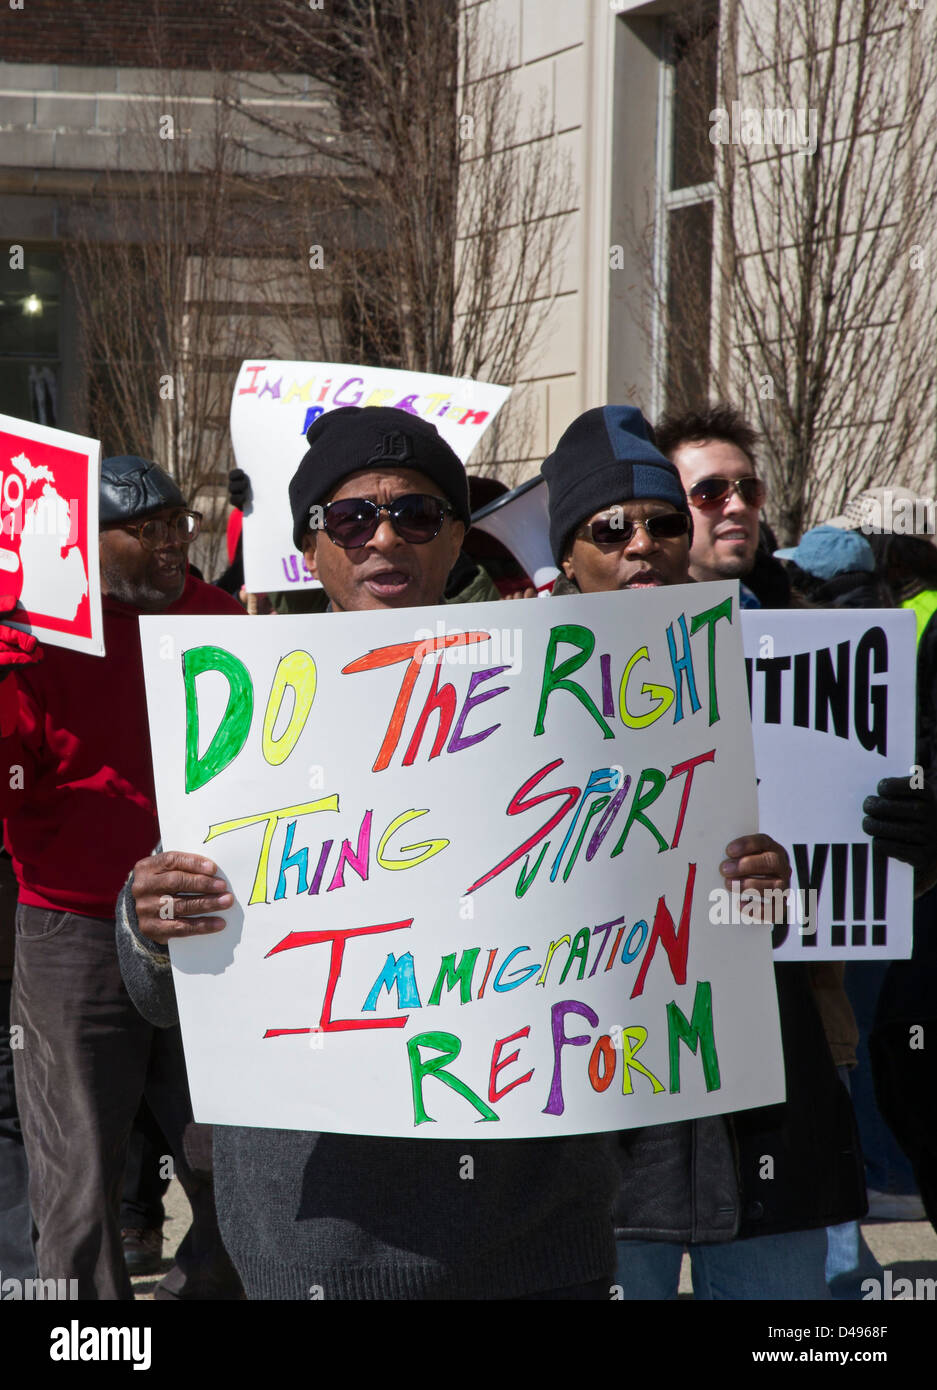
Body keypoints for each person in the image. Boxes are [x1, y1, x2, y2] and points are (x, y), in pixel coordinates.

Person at [118, 406, 624, 1301]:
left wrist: (740, 892)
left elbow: (655, 909)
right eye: (350, 519)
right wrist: (151, 921)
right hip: (318, 1239)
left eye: (417, 514)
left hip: (537, 1234)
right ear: (309, 549)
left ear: (457, 537)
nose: (384, 537)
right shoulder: (243, 719)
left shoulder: (572, 697)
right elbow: (160, 995)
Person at [541, 404, 867, 1300]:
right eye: (610, 527)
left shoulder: (776, 665)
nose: (640, 543)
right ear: (568, 551)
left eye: (660, 523)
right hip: (596, 1132)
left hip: (759, 1119)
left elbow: (824, 899)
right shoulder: (501, 692)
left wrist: (812, 877)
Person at [0, 455, 244, 1300]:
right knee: (78, 1177)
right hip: (70, 925)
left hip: (203, 919)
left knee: (233, 1157)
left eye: (182, 524)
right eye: (150, 531)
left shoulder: (221, 616)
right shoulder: (33, 637)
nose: (177, 542)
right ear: (90, 545)